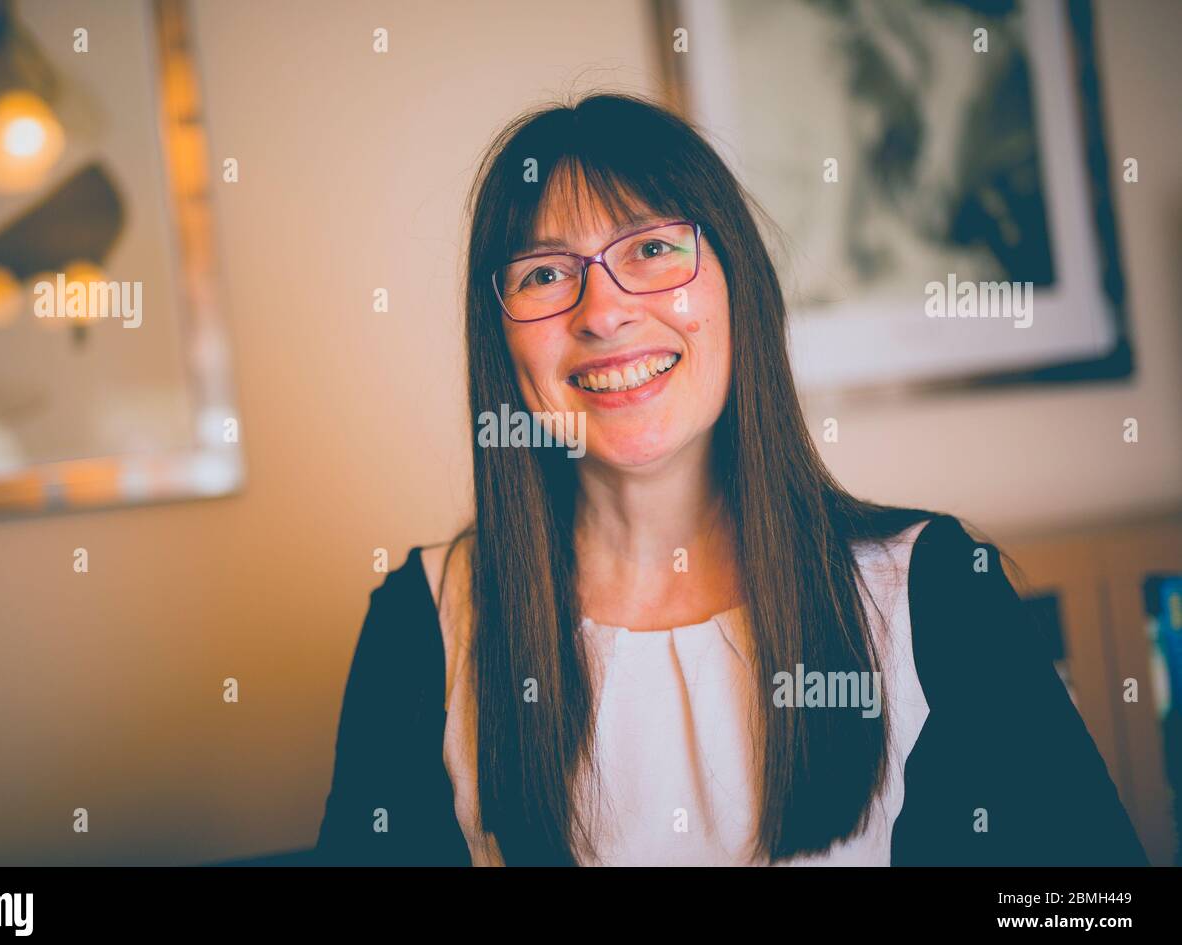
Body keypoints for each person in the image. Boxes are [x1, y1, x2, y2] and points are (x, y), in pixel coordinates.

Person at [313, 92, 1147, 867]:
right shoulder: (420, 624)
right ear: (500, 340)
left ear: (738, 285)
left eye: (652, 249)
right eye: (545, 273)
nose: (602, 312)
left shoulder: (936, 589)